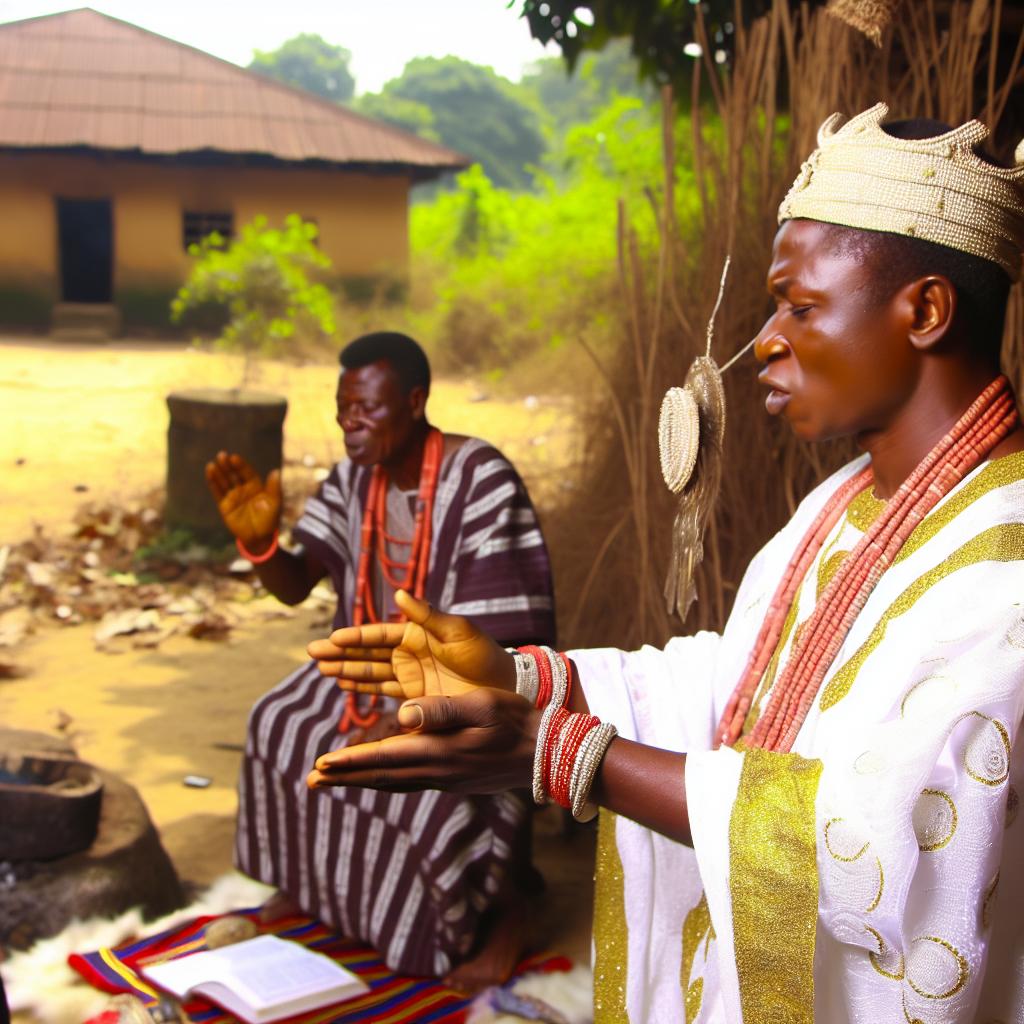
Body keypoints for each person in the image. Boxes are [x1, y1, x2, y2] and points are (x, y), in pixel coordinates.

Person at [304, 106, 1024, 1022]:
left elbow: (882, 849)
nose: (766, 338)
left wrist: (565, 753)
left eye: (800, 306)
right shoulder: (848, 499)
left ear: (923, 311)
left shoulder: (1005, 568)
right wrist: (529, 677)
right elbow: (737, 689)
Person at [206, 330, 555, 989]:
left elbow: (508, 640)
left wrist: (410, 717)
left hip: (468, 684)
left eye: (366, 407)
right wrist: (259, 545)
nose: (350, 422)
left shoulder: (481, 480)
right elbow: (295, 582)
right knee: (277, 722)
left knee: (432, 773)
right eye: (342, 408)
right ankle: (317, 890)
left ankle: (509, 911)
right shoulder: (350, 480)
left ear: (417, 400)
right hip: (365, 678)